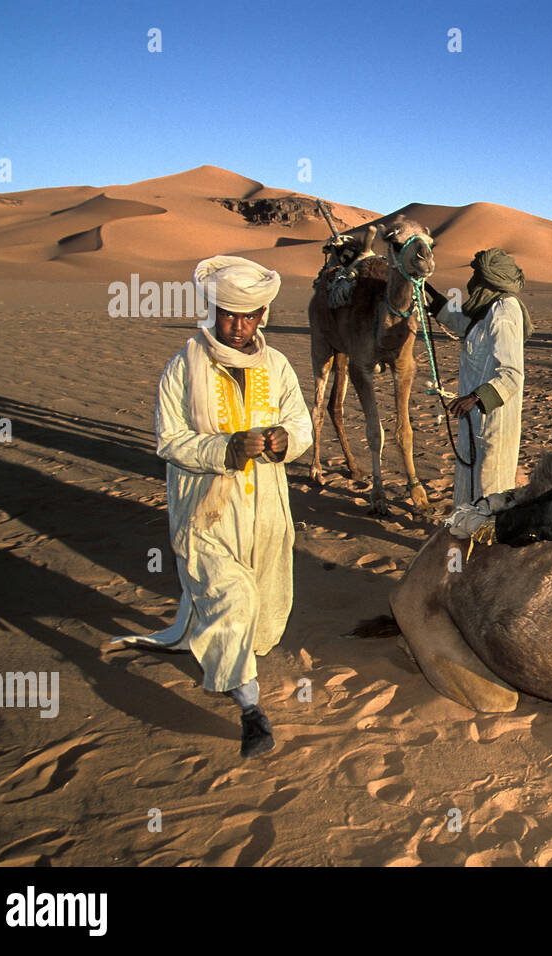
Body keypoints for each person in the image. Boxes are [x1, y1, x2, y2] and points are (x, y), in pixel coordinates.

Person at [114, 256, 313, 758]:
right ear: (214, 311)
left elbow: (304, 427)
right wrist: (223, 449)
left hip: (267, 512)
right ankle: (251, 711)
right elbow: (170, 440)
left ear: (263, 316)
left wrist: (283, 440)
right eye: (228, 315)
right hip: (206, 513)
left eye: (248, 316)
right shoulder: (184, 366)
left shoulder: (278, 366)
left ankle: (221, 650)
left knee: (260, 610)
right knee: (231, 600)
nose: (238, 326)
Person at [438, 249, 531, 505]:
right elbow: (464, 326)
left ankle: (484, 542)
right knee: (468, 486)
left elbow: (512, 375)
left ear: (489, 279)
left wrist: (475, 397)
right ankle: (462, 534)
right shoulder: (485, 309)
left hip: (494, 422)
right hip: (473, 420)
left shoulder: (504, 312)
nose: (471, 282)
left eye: (476, 275)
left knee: (490, 492)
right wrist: (431, 299)